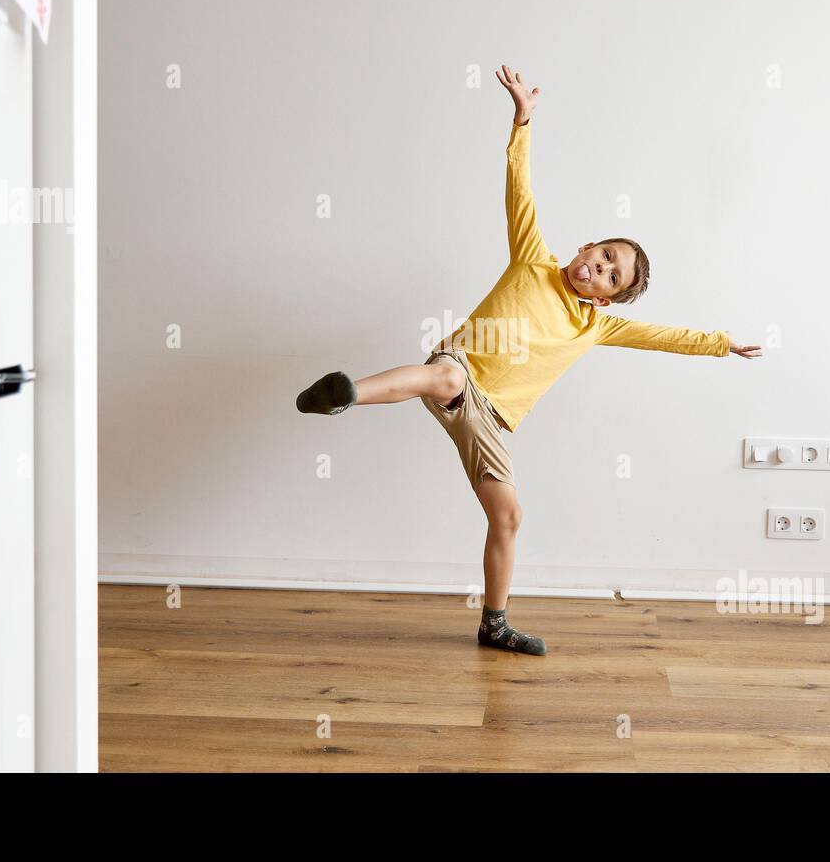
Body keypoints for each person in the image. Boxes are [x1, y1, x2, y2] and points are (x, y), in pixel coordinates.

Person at [297, 64, 762, 655]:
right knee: (440, 378)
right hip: (461, 366)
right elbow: (520, 186)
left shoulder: (596, 327)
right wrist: (522, 121)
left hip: (486, 416)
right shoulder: (532, 259)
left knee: (509, 515)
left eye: (612, 277)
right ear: (588, 245)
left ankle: (494, 623)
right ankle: (344, 395)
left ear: (604, 297)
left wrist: (721, 343)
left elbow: (662, 336)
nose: (601, 268)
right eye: (606, 254)